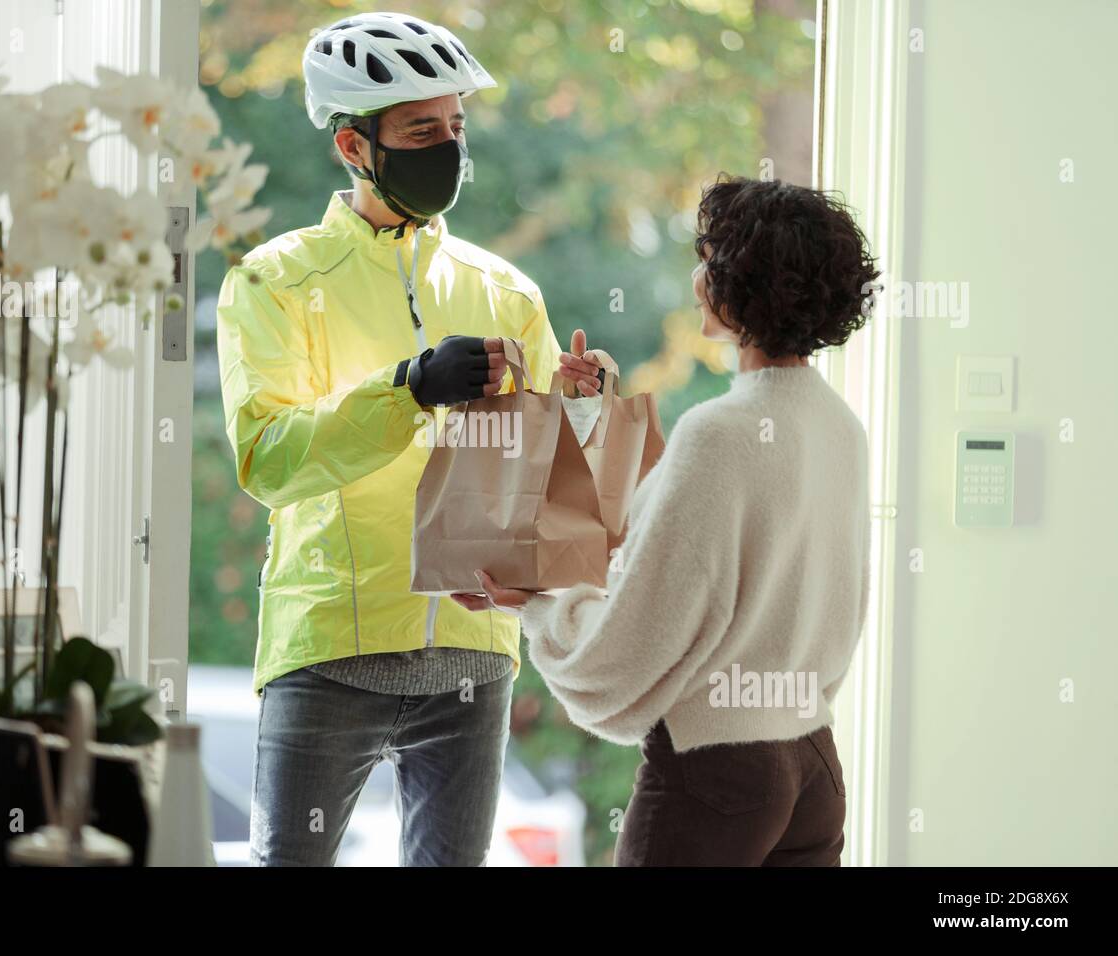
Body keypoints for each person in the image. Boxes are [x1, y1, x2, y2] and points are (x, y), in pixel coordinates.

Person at [216, 11, 607, 866]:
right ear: (353, 147)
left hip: (474, 655)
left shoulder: (507, 292)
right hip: (330, 645)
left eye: (456, 127)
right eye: (422, 130)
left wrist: (581, 414)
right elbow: (268, 460)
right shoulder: (273, 282)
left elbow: (553, 501)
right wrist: (409, 389)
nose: (449, 149)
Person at [453, 175, 879, 866]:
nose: (696, 275)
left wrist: (538, 605)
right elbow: (707, 536)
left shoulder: (721, 431)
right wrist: (609, 412)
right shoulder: (840, 427)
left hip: (717, 775)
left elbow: (632, 641)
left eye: (708, 257)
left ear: (742, 284)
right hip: (812, 771)